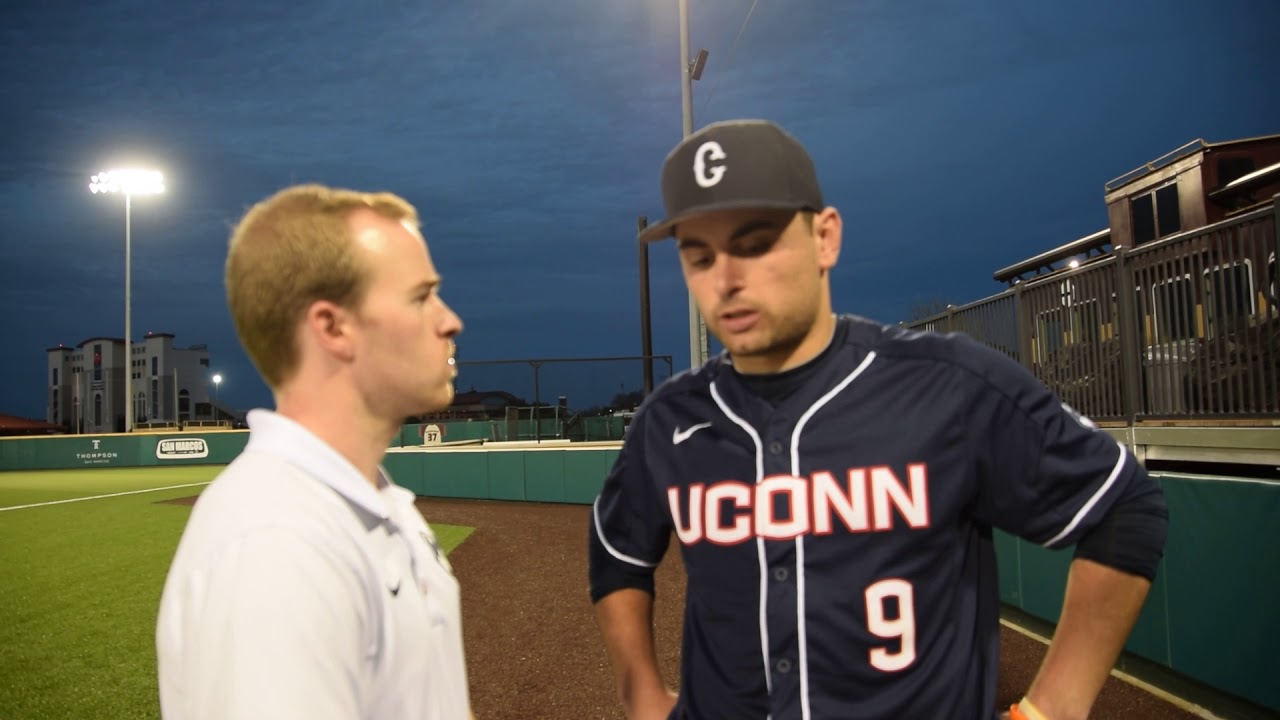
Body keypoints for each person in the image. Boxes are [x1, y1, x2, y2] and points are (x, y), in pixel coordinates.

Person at [587, 119, 1169, 720]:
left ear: (826, 238)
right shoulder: (668, 420)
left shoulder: (949, 385)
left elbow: (1123, 505)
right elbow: (617, 551)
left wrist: (1055, 708)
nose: (727, 279)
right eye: (699, 256)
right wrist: (642, 697)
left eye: (755, 243)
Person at [156, 184, 474, 720]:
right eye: (421, 297)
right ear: (332, 327)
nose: (450, 321)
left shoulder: (377, 502)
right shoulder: (276, 542)